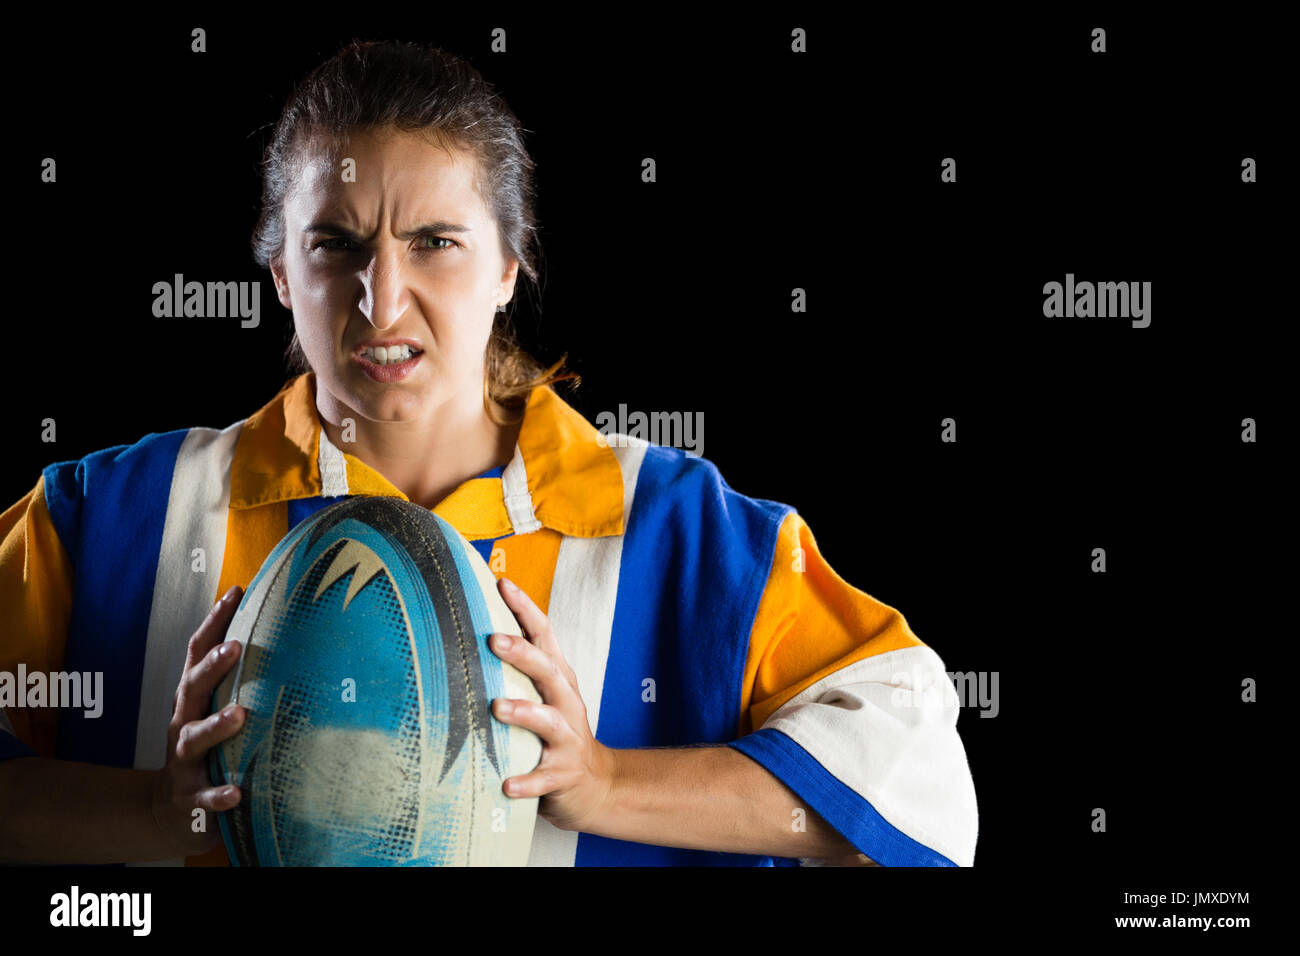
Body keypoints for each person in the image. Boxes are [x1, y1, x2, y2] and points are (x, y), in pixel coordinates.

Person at [0, 39, 977, 867]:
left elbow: (918, 764)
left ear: (510, 264)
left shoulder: (678, 532)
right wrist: (141, 810)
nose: (383, 300)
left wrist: (604, 783)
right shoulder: (114, 518)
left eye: (435, 242)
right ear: (280, 271)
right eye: (336, 244)